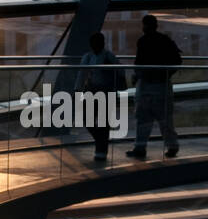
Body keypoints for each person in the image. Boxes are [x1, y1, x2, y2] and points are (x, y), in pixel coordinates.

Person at [126, 14, 181, 159]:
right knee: (165, 120)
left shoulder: (143, 41)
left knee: (143, 119)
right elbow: (177, 61)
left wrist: (136, 76)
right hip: (162, 85)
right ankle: (172, 146)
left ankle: (140, 147)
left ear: (145, 25)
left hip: (146, 84)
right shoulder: (165, 40)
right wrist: (166, 75)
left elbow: (139, 63)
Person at [77, 31, 123, 161]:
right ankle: (101, 144)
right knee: (90, 120)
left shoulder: (99, 57)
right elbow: (82, 74)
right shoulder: (105, 57)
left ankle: (101, 150)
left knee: (100, 122)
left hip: (101, 92)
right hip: (96, 91)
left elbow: (82, 74)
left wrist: (78, 90)